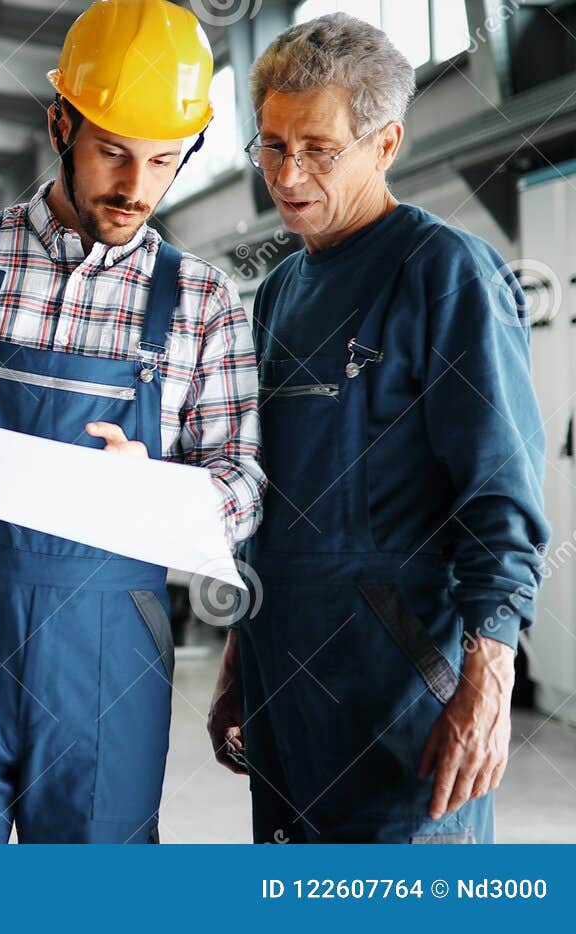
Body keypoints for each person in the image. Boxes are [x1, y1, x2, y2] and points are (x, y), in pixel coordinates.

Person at [0, 0, 264, 844]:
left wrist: (161, 493)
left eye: (162, 161)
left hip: (108, 658)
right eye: (112, 152)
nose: (135, 188)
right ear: (60, 120)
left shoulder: (203, 302)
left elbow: (242, 484)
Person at [205, 14, 548, 844]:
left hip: (401, 703)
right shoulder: (281, 291)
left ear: (385, 142)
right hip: (287, 696)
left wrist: (490, 674)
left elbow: (499, 491)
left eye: (318, 148)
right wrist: (240, 657)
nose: (287, 174)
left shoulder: (444, 274)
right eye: (272, 145)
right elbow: (269, 496)